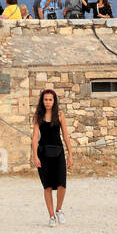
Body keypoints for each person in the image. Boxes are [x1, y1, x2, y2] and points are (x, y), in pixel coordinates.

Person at [31, 89, 72, 225]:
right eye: (45, 99)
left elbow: (66, 135)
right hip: (43, 154)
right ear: (42, 101)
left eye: (50, 99)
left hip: (58, 153)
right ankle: (51, 216)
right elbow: (35, 137)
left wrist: (70, 154)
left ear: (54, 101)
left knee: (62, 184)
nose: (48, 102)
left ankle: (59, 209)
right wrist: (35, 156)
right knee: (47, 186)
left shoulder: (60, 115)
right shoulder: (38, 116)